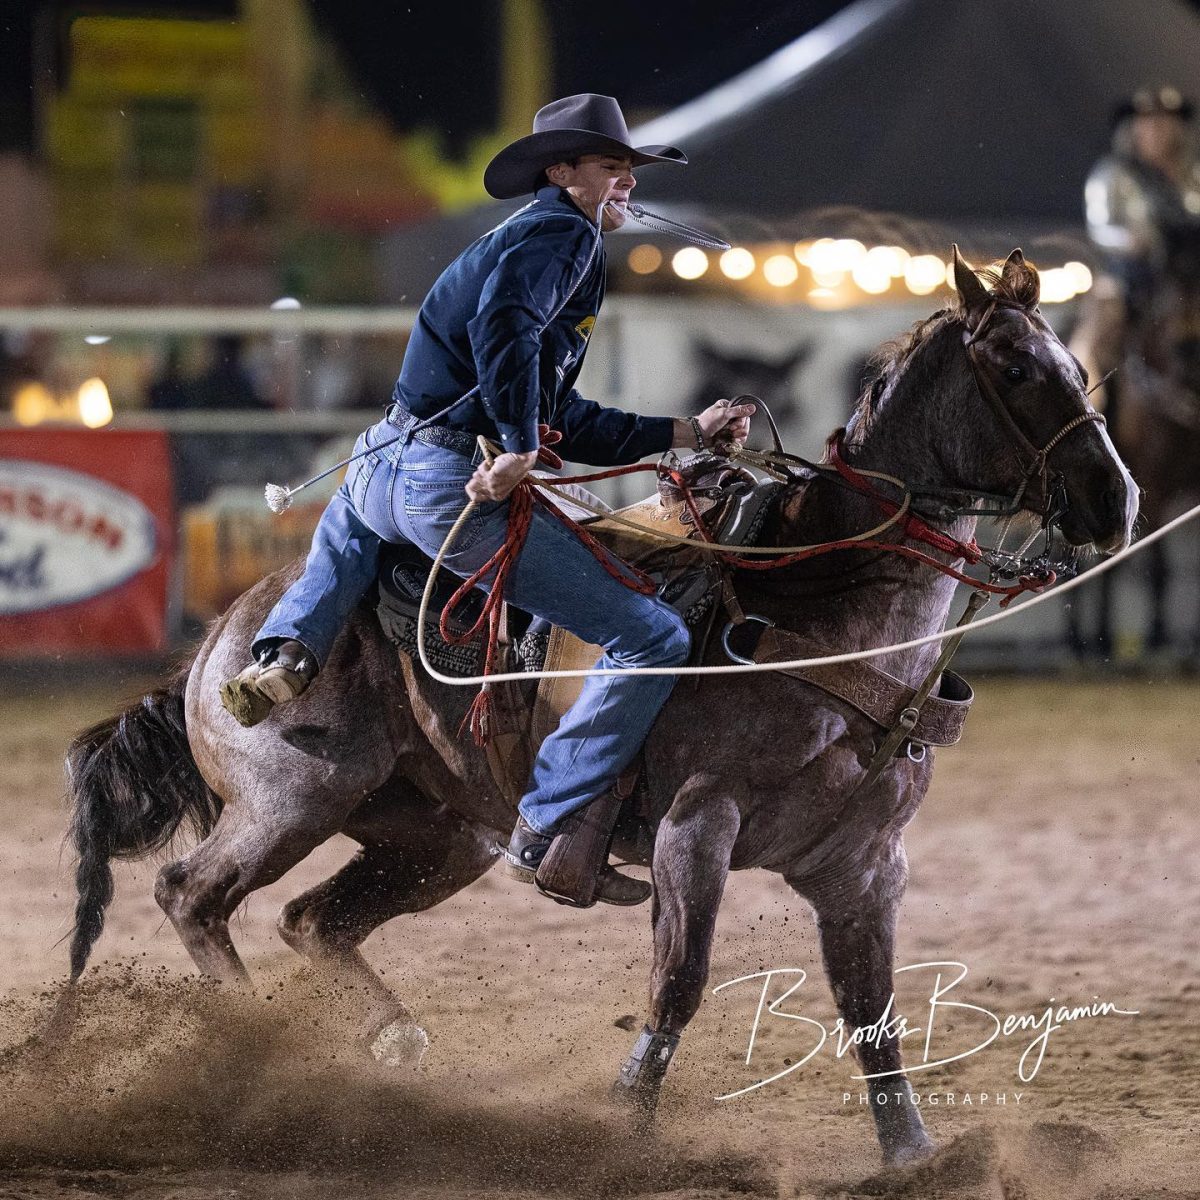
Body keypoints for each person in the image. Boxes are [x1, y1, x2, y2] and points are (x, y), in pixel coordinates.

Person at [220, 94, 753, 901]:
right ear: (563, 172)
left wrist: (685, 431)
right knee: (653, 635)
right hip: (448, 487)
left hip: (376, 471)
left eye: (627, 174)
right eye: (612, 169)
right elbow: (507, 332)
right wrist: (514, 447)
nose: (624, 187)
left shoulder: (519, 236)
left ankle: (287, 653)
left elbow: (558, 406)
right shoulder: (563, 236)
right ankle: (544, 826)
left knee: (345, 548)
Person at [1071, 86, 1200, 404]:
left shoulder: (1193, 178)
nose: (1157, 129)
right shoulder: (1113, 174)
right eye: (1149, 122)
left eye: (1165, 122)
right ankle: (1087, 404)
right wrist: (1137, 239)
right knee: (1098, 332)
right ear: (1135, 129)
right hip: (1129, 279)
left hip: (1186, 279)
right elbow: (1102, 228)